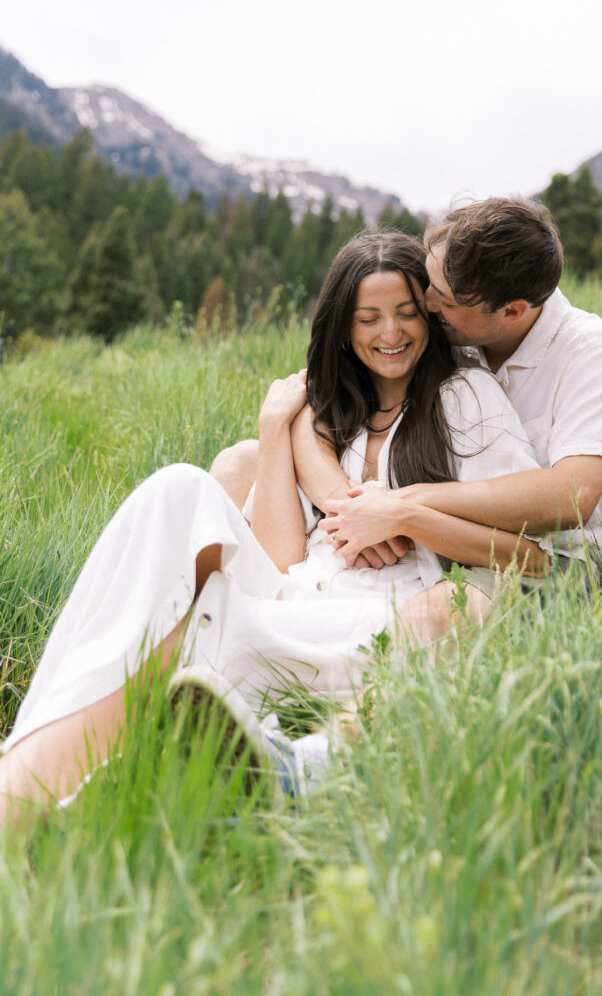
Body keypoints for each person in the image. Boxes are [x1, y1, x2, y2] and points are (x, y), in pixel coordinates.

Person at [0, 232, 547, 821]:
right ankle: (23, 797)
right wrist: (273, 429)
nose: (390, 332)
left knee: (166, 613)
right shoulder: (328, 411)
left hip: (379, 627)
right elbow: (280, 561)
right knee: (176, 490)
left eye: (407, 313)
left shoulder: (464, 396)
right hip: (284, 613)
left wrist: (406, 518)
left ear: (430, 316)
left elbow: (528, 553)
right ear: (344, 328)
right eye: (369, 318)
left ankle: (279, 762)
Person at [286, 196, 602, 638]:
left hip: (554, 562)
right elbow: (315, 403)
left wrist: (404, 505)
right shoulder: (455, 335)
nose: (428, 303)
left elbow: (571, 497)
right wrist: (349, 505)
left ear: (512, 310)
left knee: (429, 620)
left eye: (445, 299)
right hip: (450, 542)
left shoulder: (591, 351)